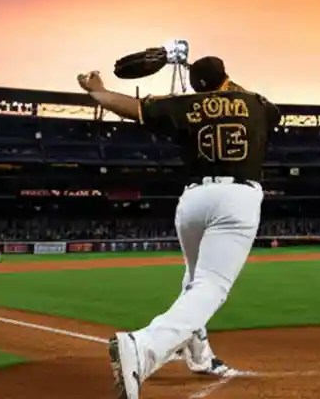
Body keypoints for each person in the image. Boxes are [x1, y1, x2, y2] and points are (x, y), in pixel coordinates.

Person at [81, 56, 280, 399]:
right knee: (211, 286)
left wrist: (96, 90)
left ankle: (200, 356)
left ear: (195, 84)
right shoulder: (255, 102)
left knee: (193, 280)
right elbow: (272, 113)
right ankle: (143, 346)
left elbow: (130, 107)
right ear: (225, 75)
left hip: (193, 201)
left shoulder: (185, 105)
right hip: (237, 198)